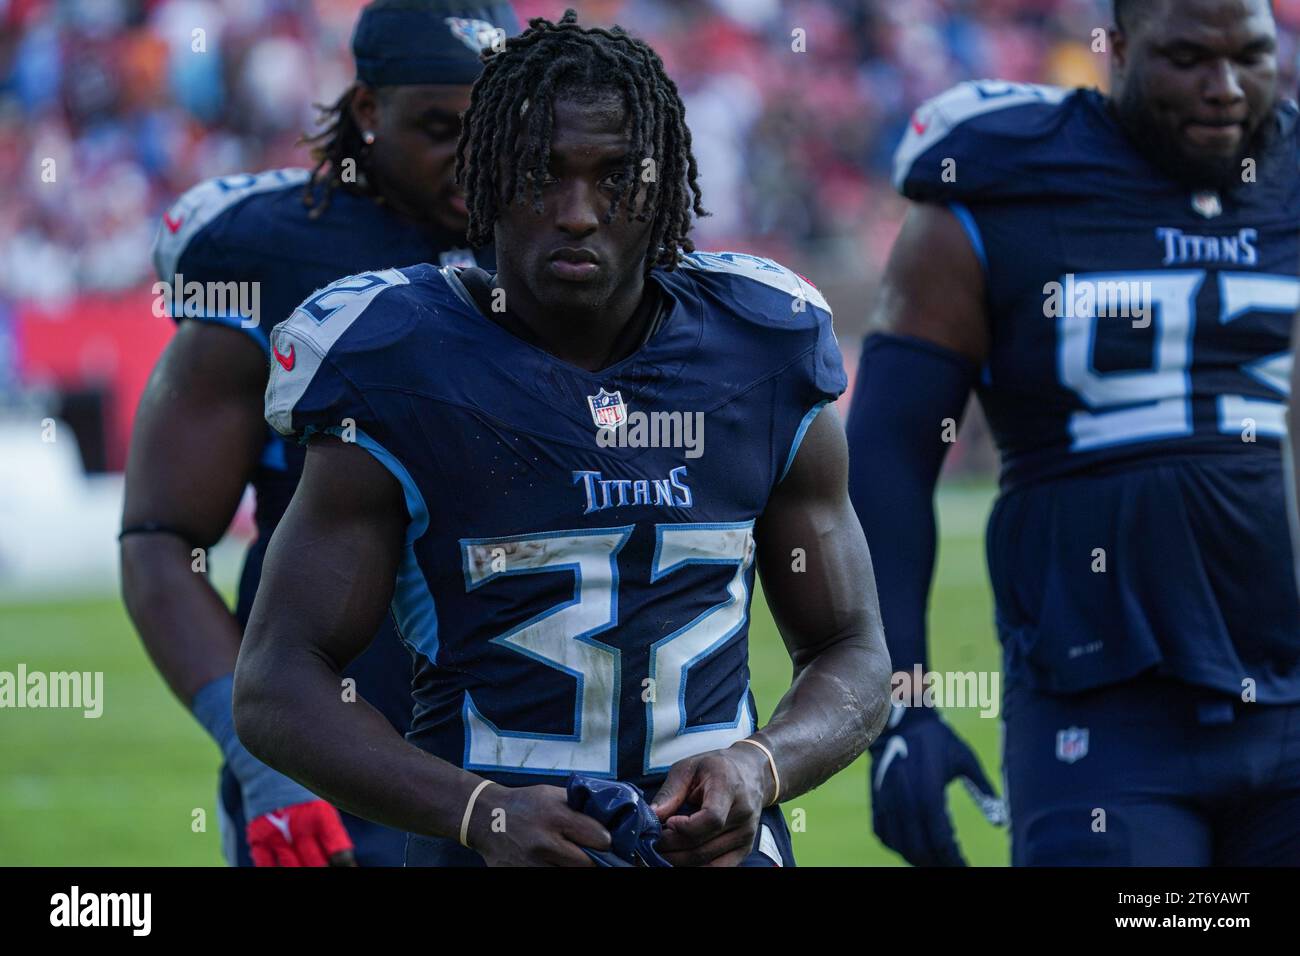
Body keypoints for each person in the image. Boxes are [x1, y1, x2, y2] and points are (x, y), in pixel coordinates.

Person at [234, 9, 891, 867]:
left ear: (660, 187)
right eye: (542, 175)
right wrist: (481, 812)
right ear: (486, 179)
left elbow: (854, 650)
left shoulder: (762, 348)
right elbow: (277, 683)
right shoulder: (397, 360)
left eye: (615, 176)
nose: (577, 213)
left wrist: (758, 767)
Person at [850, 0, 1300, 865]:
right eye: (1189, 58)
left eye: (1251, 56)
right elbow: (888, 458)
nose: (1225, 89)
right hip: (1099, 707)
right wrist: (900, 707)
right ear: (1117, 52)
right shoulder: (1003, 181)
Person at [120, 0, 520, 867]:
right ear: (368, 112)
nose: (473, 158)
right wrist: (261, 760)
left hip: (536, 769)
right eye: (439, 127)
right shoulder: (271, 253)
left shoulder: (560, 236)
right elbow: (162, 539)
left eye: (493, 128)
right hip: (333, 768)